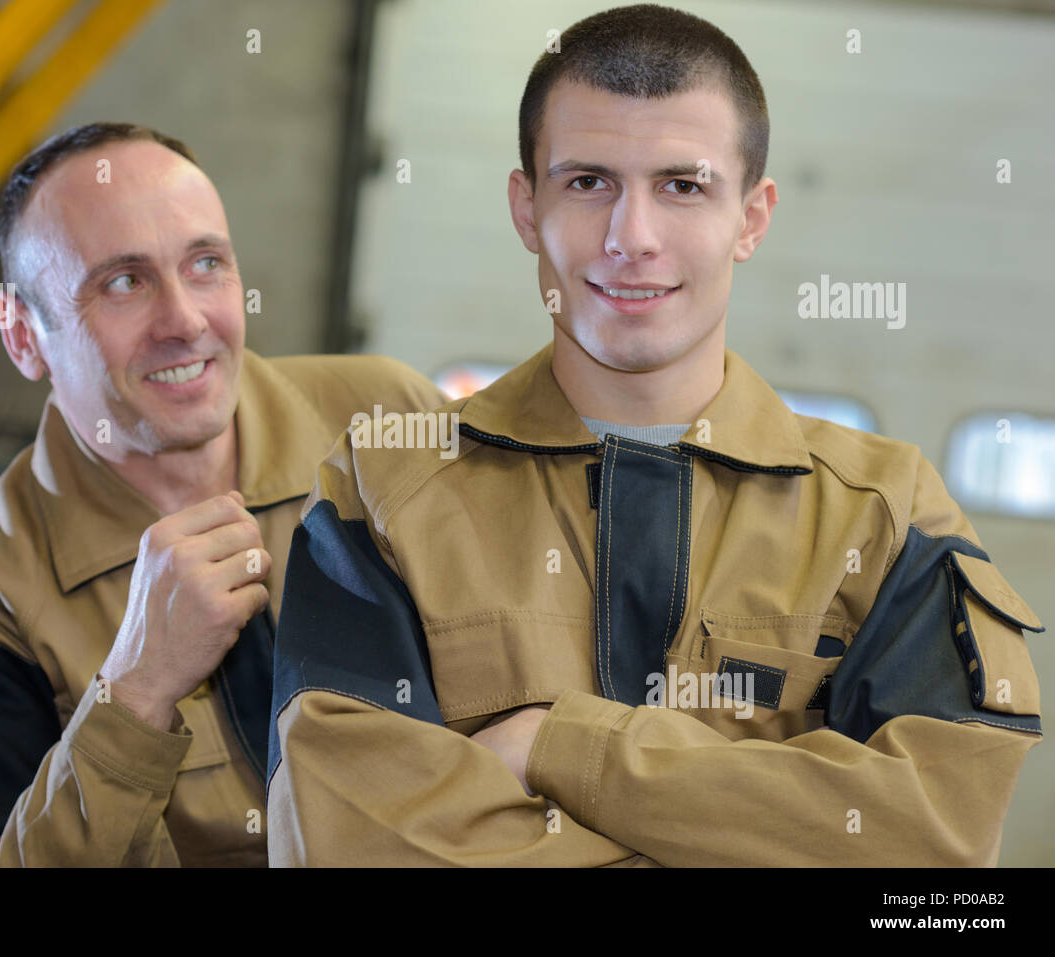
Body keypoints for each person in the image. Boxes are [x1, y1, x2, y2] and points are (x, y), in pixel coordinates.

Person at [266, 4, 1044, 866]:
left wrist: (557, 748)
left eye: (682, 185)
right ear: (527, 207)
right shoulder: (382, 489)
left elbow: (934, 851)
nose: (630, 238)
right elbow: (347, 839)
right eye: (588, 181)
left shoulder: (883, 514)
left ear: (752, 217)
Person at [0, 122, 445, 866]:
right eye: (123, 282)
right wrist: (136, 691)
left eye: (206, 264)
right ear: (24, 335)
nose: (185, 321)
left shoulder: (389, 421)